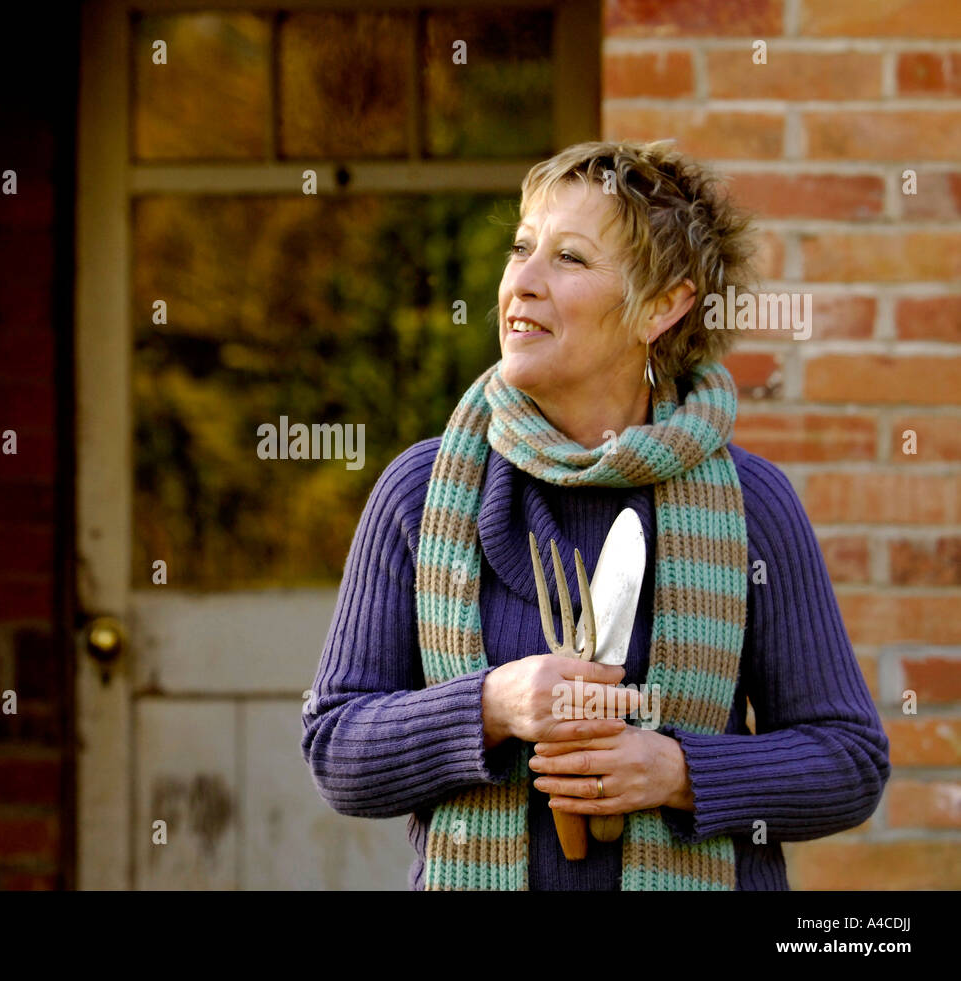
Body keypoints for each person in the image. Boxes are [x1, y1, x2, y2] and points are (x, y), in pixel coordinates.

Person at [300, 140, 890, 891]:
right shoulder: (421, 491)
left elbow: (849, 760)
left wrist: (678, 771)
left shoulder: (751, 504)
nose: (523, 282)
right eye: (522, 248)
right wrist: (493, 705)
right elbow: (335, 750)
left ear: (663, 305)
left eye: (570, 259)